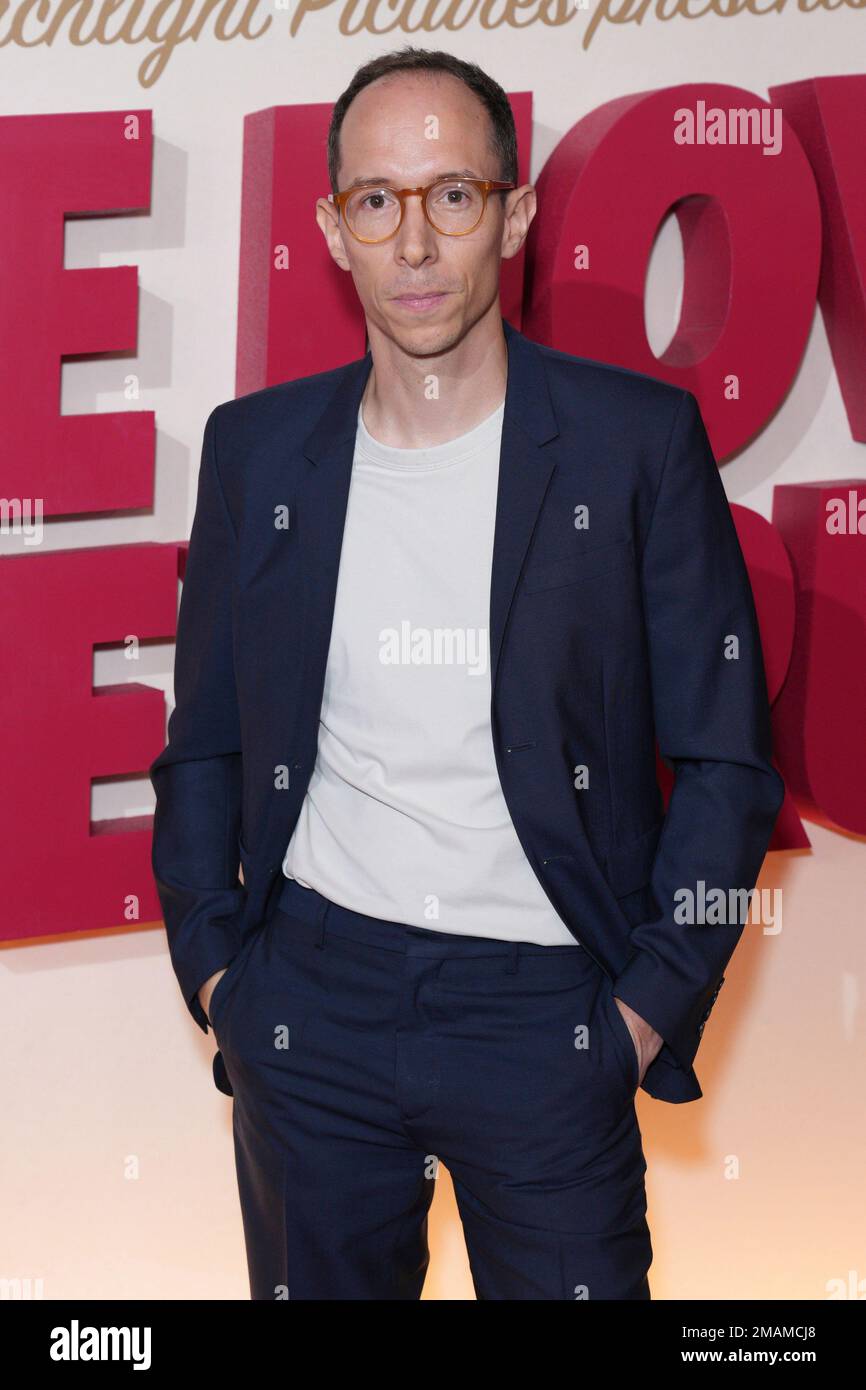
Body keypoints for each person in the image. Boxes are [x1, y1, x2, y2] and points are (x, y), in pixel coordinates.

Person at [149, 46, 785, 1300]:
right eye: (374, 201)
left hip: (548, 1010)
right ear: (330, 229)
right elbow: (205, 740)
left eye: (452, 194)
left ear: (515, 214)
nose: (414, 243)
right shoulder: (257, 452)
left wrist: (642, 1010)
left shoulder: (631, 447)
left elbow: (726, 763)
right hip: (309, 1001)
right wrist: (222, 976)